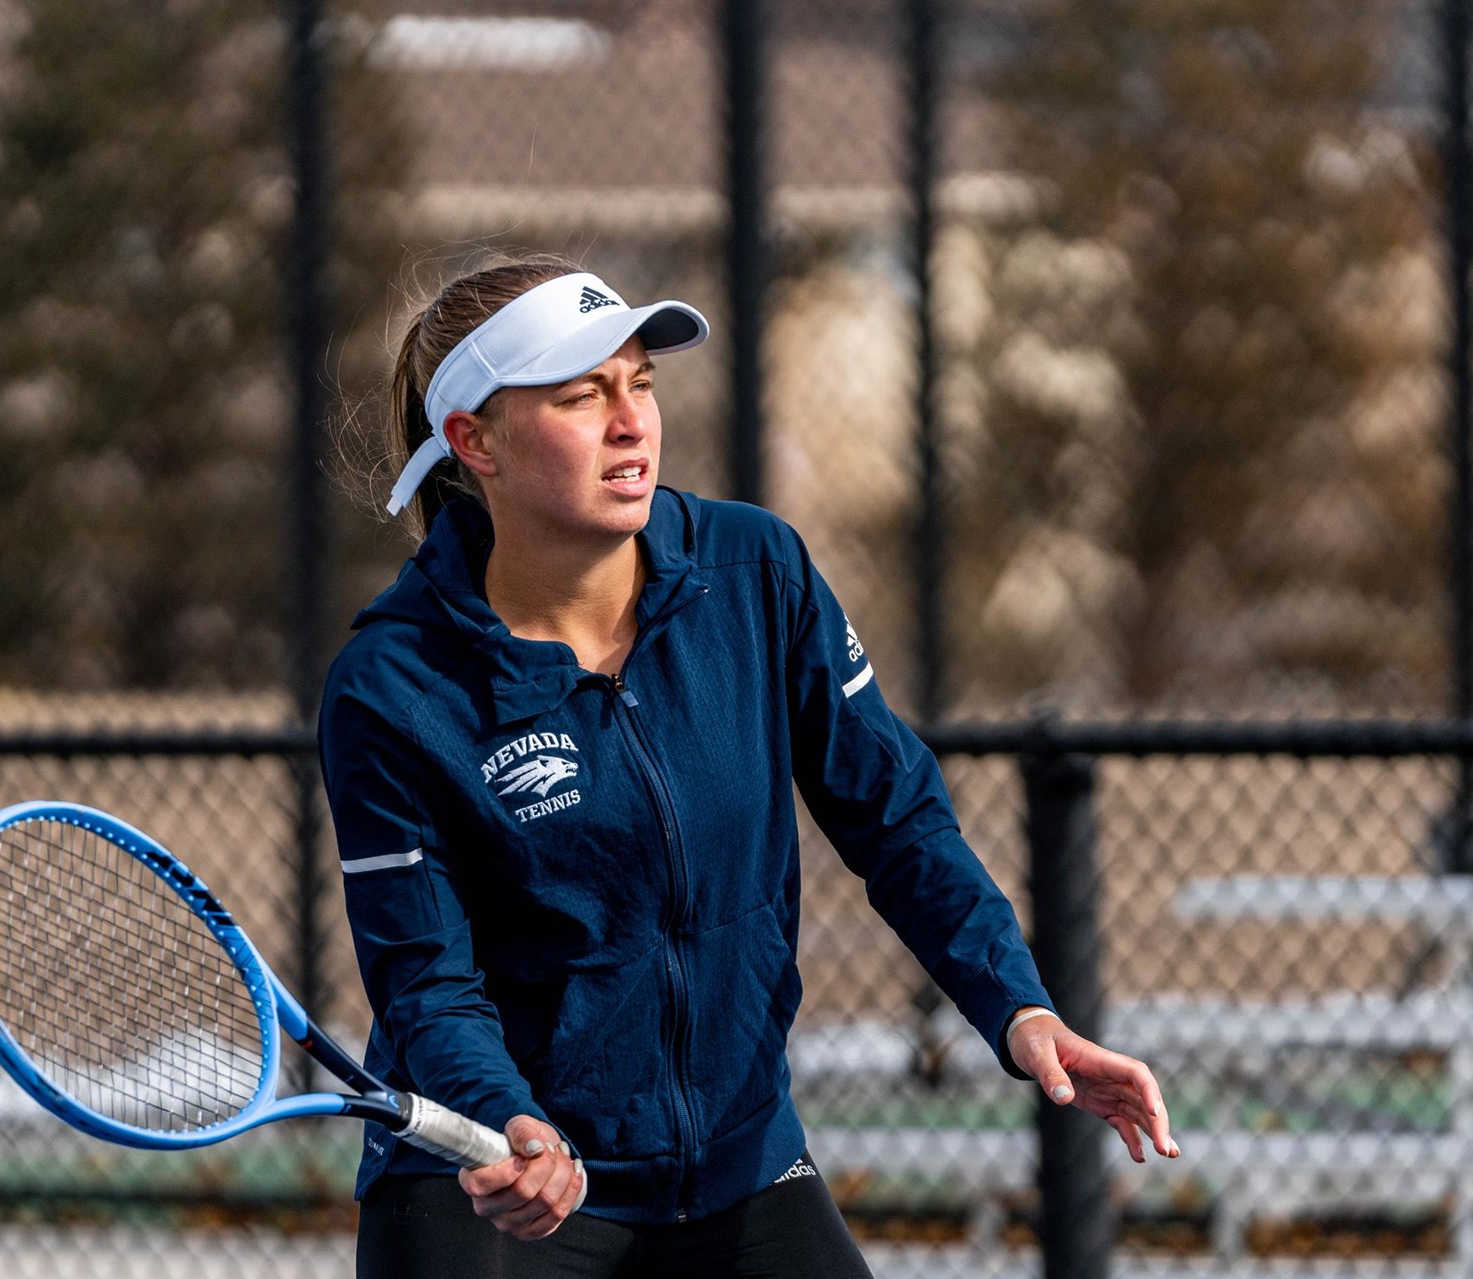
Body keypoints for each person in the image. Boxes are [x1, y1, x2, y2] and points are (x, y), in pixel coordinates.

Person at [320, 257, 1178, 1278]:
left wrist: (1019, 1005)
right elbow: (429, 982)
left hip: (737, 1164)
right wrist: (512, 1124)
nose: (631, 420)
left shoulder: (758, 573)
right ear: (475, 443)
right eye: (580, 396)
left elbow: (897, 820)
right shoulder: (391, 684)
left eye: (639, 382)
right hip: (502, 1184)